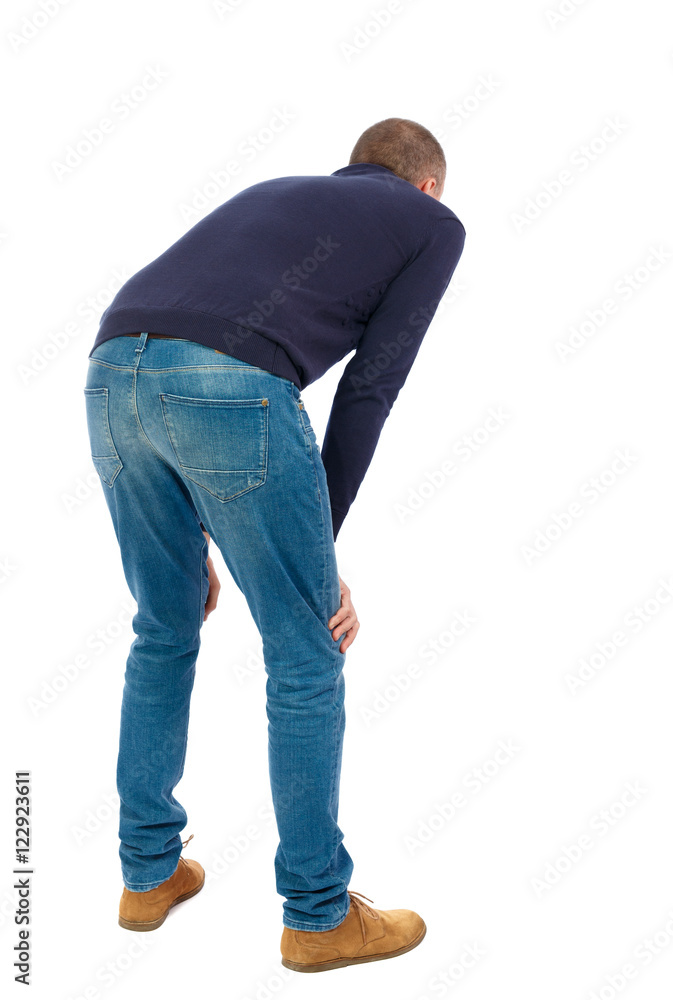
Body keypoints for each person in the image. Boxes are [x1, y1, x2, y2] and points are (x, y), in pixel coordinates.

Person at [83, 116, 466, 972]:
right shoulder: (432, 222)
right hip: (227, 386)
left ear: (354, 165)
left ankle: (146, 874)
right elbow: (372, 386)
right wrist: (315, 562)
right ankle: (318, 916)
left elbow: (180, 334)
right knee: (304, 652)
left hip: (111, 373)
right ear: (427, 184)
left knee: (164, 624)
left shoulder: (275, 192)